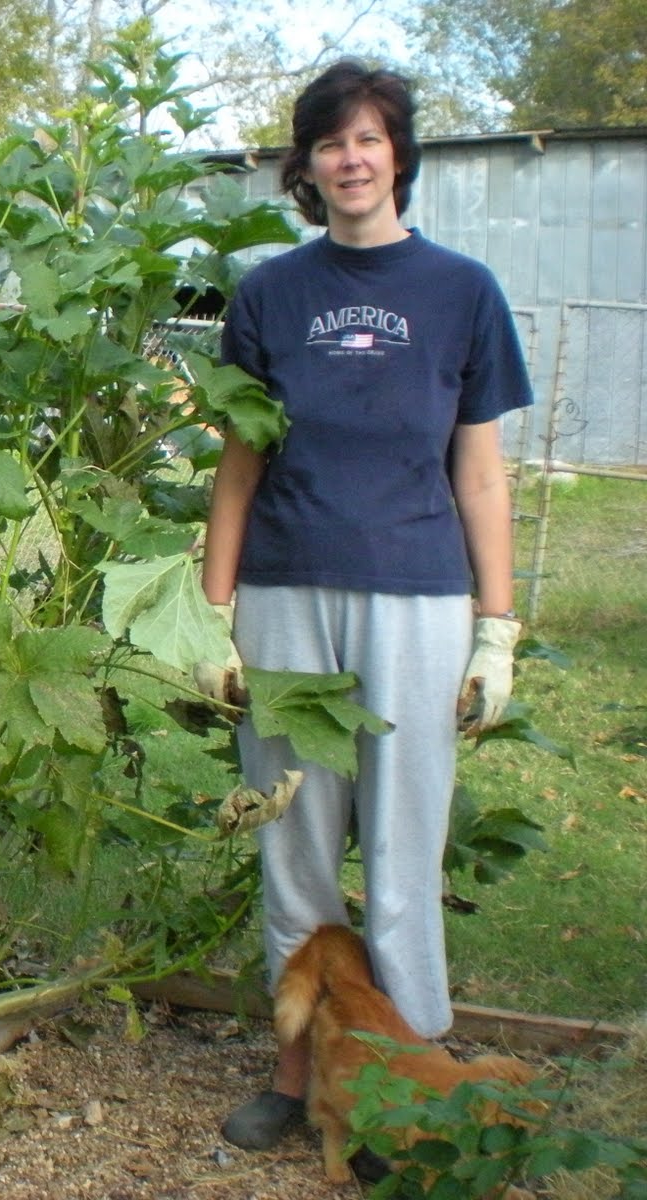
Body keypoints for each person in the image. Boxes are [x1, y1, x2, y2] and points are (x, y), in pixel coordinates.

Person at [194, 58, 533, 1160]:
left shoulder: (461, 292)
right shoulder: (269, 297)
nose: (349, 159)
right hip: (285, 596)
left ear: (399, 158)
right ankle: (293, 1076)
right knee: (293, 842)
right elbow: (237, 467)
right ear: (307, 166)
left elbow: (479, 475)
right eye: (330, 142)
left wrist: (495, 630)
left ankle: (407, 1083)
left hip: (419, 600)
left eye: (369, 140)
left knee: (399, 855)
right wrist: (210, 613)